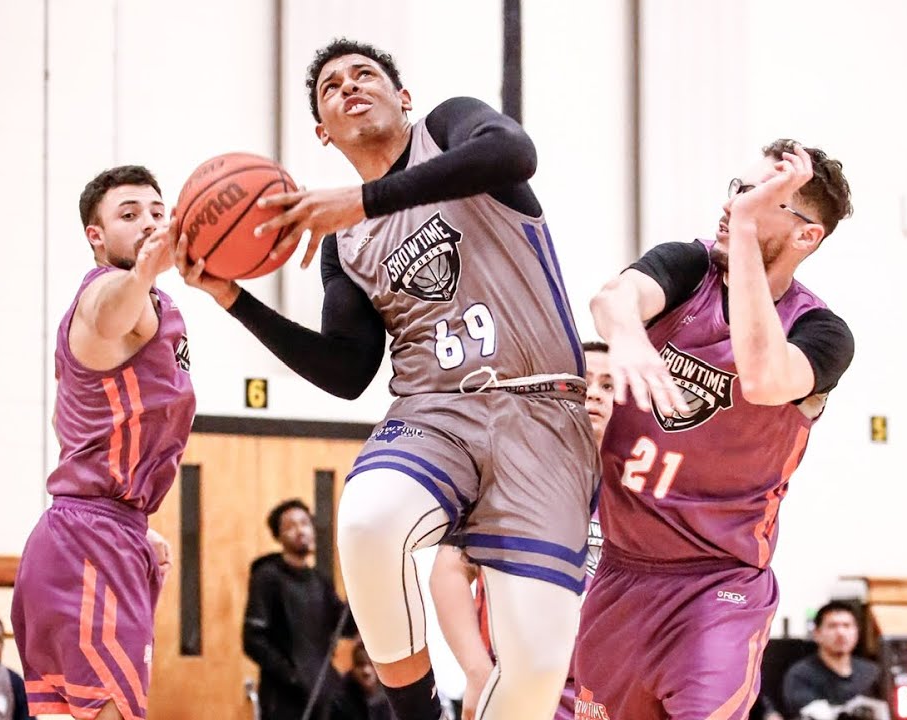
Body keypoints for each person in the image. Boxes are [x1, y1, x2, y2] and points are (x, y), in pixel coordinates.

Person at [175, 38, 598, 720]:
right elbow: (347, 371)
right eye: (331, 88)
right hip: (435, 414)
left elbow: (515, 153)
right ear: (323, 132)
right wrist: (232, 298)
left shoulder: (451, 130)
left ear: (403, 98)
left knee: (536, 669)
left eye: (364, 74)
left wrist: (367, 199)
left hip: (543, 412)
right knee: (369, 520)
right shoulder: (343, 245)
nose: (349, 86)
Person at [574, 139, 856, 719]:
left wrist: (748, 240)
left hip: (719, 585)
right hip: (622, 573)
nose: (735, 205)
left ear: (807, 235)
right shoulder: (689, 266)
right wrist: (628, 339)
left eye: (759, 198)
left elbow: (764, 378)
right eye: (738, 188)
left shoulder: (823, 332)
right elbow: (613, 297)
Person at [13, 165, 194, 720]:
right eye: (130, 214)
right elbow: (111, 312)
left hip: (91, 534)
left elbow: (63, 422)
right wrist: (143, 270)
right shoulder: (106, 296)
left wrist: (131, 512)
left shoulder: (153, 306)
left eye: (158, 212)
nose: (149, 223)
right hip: (92, 548)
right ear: (96, 236)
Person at [429, 341, 613, 720]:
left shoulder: (646, 493)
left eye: (609, 386)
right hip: (521, 687)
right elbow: (448, 570)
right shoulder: (516, 474)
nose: (594, 393)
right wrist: (477, 672)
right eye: (584, 384)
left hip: (612, 688)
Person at [244, 498, 355, 720]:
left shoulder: (320, 582)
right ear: (278, 536)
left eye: (305, 523)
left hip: (323, 697)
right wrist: (293, 676)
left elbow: (346, 627)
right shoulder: (267, 577)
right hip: (283, 700)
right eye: (290, 526)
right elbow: (253, 640)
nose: (300, 530)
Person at [782, 603, 886, 720]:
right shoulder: (800, 675)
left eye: (847, 626)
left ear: (857, 632)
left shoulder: (872, 672)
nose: (840, 633)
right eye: (832, 626)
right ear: (817, 633)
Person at [332, 644, 397, 720]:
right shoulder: (341, 701)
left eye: (372, 664)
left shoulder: (392, 696)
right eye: (360, 664)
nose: (366, 671)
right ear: (353, 669)